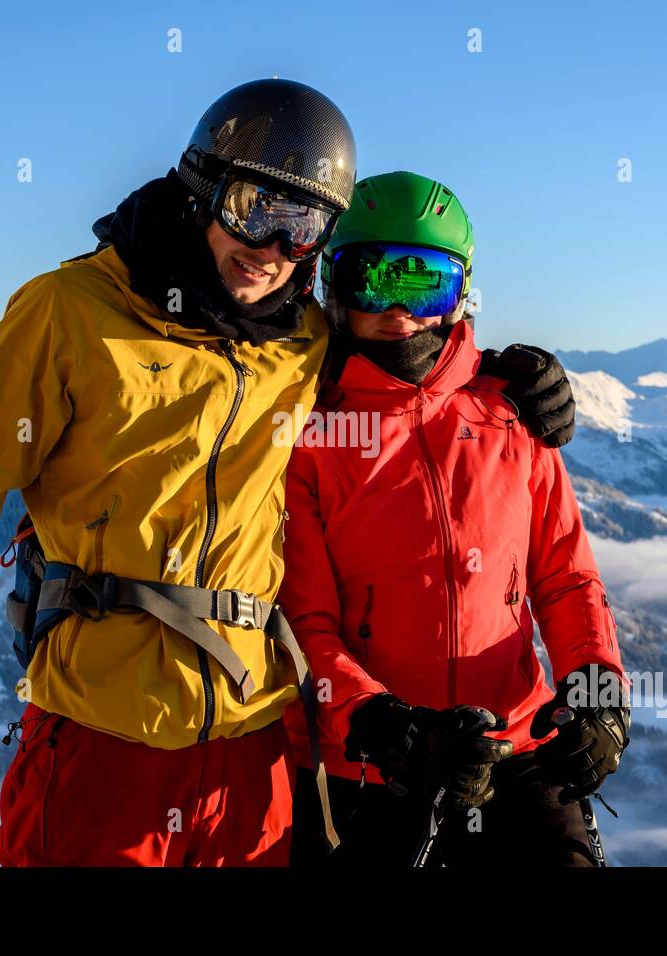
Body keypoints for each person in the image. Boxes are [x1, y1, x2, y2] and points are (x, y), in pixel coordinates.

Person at [0, 81, 580, 867]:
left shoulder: (303, 341)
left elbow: (411, 373)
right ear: (202, 184)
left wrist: (509, 377)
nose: (271, 248)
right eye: (253, 208)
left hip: (253, 756)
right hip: (105, 745)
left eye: (301, 227)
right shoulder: (71, 313)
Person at [279, 171, 630, 867]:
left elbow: (565, 581)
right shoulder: (310, 435)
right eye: (371, 278)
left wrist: (595, 688)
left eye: (424, 283)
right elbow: (302, 624)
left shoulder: (512, 417)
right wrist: (382, 724)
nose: (397, 310)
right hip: (371, 769)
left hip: (517, 753)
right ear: (331, 286)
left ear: (459, 294)